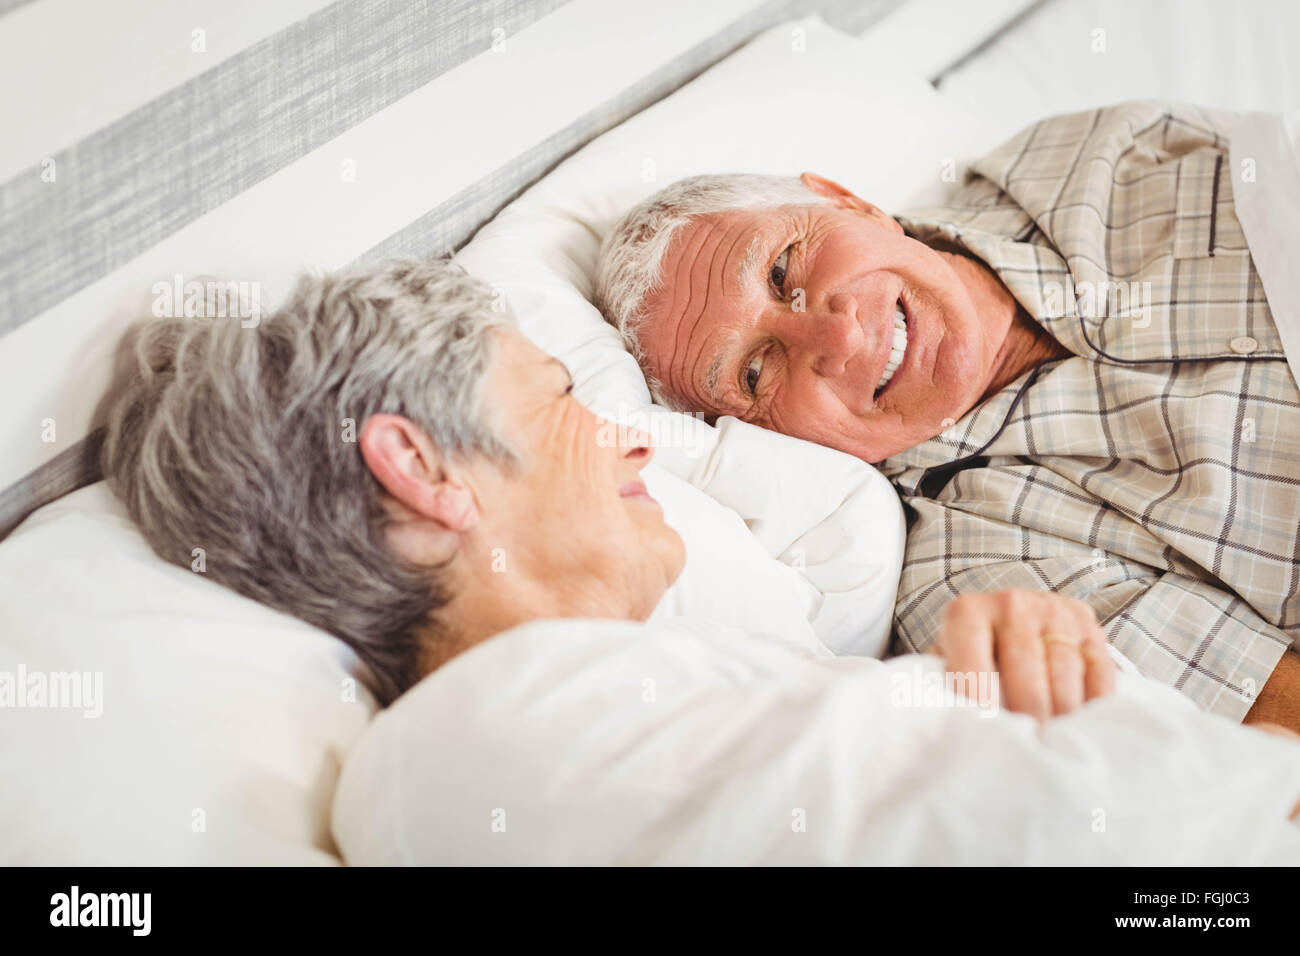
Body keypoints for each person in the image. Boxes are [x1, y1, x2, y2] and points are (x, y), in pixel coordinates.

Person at [97, 256, 1116, 717]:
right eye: (558, 398)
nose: (630, 445)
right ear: (421, 467)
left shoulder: (680, 693)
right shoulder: (541, 750)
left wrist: (1007, 691)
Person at [594, 101, 1300, 731]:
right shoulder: (974, 586)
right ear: (765, 437)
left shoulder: (1085, 159)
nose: (837, 339)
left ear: (851, 202)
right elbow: (1270, 745)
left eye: (783, 269)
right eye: (755, 371)